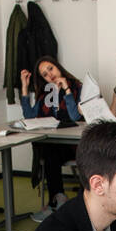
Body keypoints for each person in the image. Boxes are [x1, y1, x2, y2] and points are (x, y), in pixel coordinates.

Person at [19, 56, 82, 222]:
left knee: (49, 151)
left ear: (58, 67)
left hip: (75, 145)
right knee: (48, 150)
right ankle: (58, 198)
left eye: (51, 69)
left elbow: (75, 116)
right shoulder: (46, 91)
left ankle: (56, 200)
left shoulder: (77, 86)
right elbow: (30, 117)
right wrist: (25, 88)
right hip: (54, 144)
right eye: (45, 74)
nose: (50, 75)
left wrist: (66, 90)